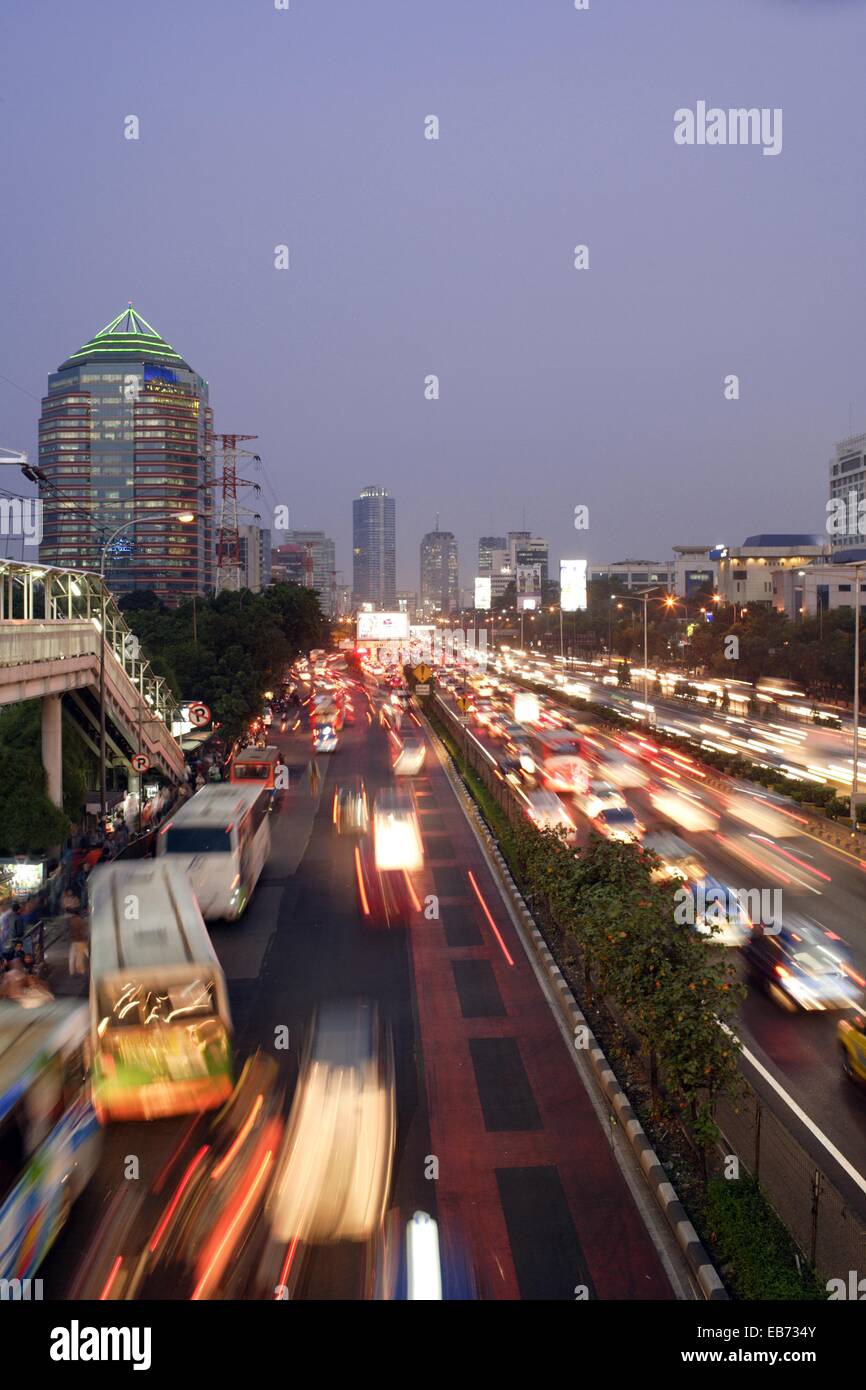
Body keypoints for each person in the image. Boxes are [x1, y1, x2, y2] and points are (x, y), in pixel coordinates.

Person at [68, 911, 89, 977]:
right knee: (79, 957)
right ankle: (80, 971)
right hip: (80, 941)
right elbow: (84, 932)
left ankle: (72, 971)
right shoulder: (81, 922)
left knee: (72, 957)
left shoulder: (71, 921)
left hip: (74, 941)